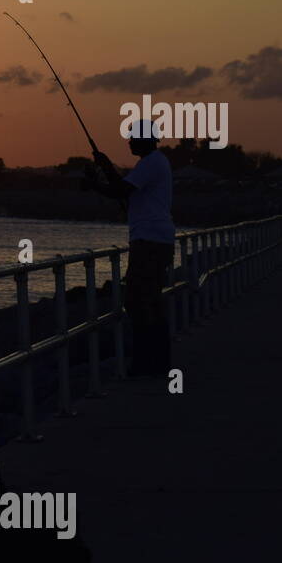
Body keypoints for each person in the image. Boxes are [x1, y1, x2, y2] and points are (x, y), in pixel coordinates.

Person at [86, 119, 176, 377]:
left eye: (133, 138)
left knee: (138, 301)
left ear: (147, 139)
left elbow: (120, 192)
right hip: (154, 239)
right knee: (149, 300)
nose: (129, 142)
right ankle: (156, 362)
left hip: (150, 241)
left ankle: (148, 364)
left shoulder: (151, 163)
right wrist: (107, 167)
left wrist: (95, 184)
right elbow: (127, 189)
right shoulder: (152, 163)